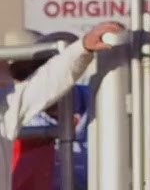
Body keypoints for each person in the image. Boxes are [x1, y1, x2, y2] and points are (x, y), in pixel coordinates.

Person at [1, 22, 122, 190]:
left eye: (35, 69)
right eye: (21, 73)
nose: (27, 76)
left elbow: (47, 81)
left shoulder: (7, 105)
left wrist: (83, 48)